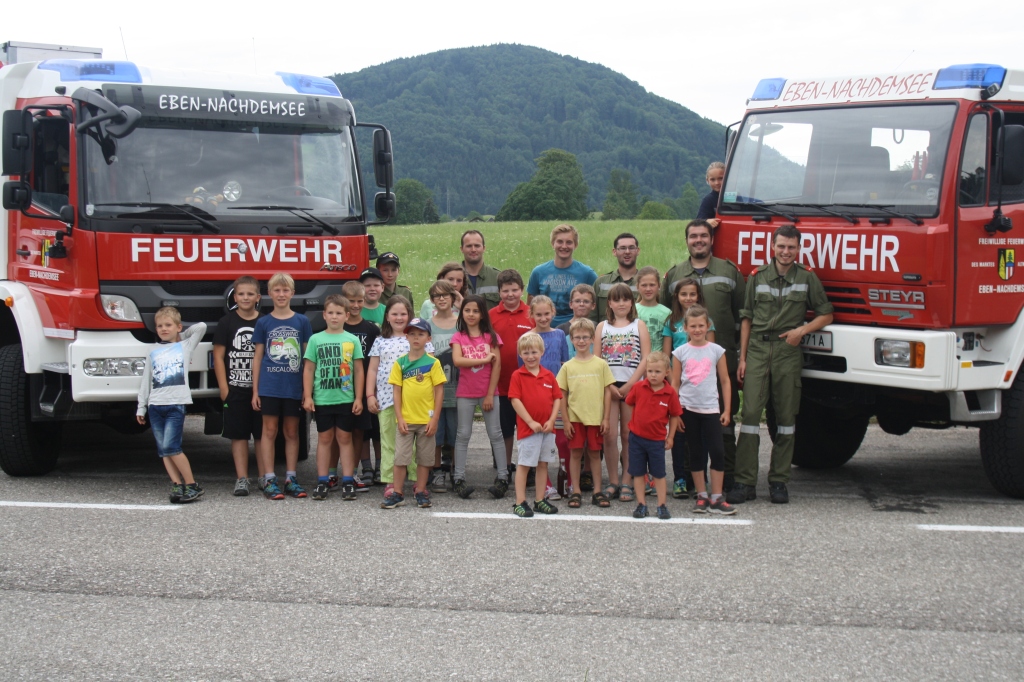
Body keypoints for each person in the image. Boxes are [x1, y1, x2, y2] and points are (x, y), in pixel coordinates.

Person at [729, 224, 834, 505]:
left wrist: (803, 330)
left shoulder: (807, 278)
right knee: (750, 416)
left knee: (786, 419)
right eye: (781, 246)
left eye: (791, 247)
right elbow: (747, 317)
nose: (786, 252)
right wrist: (743, 357)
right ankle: (745, 481)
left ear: (798, 249)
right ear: (772, 247)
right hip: (759, 350)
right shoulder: (757, 277)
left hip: (788, 351)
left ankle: (779, 481)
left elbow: (826, 314)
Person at [661, 219, 744, 489]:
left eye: (703, 235)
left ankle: (728, 476)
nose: (699, 240)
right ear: (687, 240)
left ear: (711, 239)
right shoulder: (674, 274)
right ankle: (687, 478)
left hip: (720, 361)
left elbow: (741, 313)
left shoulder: (729, 271)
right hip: (683, 368)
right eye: (693, 236)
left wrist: (741, 355)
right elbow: (667, 314)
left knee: (723, 424)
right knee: (687, 426)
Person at [251, 272, 313, 500]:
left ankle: (290, 477)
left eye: (285, 290)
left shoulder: (302, 321)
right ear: (269, 294)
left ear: (292, 294)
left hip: (293, 387)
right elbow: (257, 358)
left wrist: (307, 392)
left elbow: (307, 359)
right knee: (269, 431)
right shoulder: (263, 322)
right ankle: (269, 478)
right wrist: (255, 390)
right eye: (277, 290)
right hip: (269, 386)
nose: (281, 294)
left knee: (291, 432)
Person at [367, 296, 435, 500]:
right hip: (387, 400)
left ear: (410, 316)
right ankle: (390, 481)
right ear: (387, 316)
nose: (399, 317)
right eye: (394, 314)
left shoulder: (419, 340)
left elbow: (432, 370)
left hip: (415, 403)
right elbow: (372, 369)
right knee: (389, 441)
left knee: (414, 443)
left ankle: (416, 480)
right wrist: (370, 394)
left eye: (403, 314)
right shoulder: (380, 341)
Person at [136, 307, 207, 503]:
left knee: (172, 446)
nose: (163, 329)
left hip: (176, 403)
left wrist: (179, 334)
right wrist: (141, 407)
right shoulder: (152, 350)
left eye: (168, 325)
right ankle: (177, 485)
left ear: (178, 327)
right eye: (160, 326)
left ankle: (192, 485)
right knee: (163, 450)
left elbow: (201, 327)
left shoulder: (184, 346)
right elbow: (146, 380)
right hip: (155, 405)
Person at [671, 306, 737, 515]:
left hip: (711, 409)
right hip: (688, 409)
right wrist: (676, 413)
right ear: (685, 328)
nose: (697, 329)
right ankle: (702, 495)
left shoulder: (716, 351)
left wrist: (727, 410)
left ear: (708, 326)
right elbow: (675, 385)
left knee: (717, 451)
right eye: (693, 326)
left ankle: (716, 497)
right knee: (696, 453)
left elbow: (725, 381)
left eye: (701, 325)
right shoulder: (680, 352)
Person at [303, 294, 364, 501]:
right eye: (331, 313)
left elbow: (358, 370)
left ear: (347, 316)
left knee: (345, 439)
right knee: (325, 438)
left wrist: (358, 398)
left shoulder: (352, 340)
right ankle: (323, 480)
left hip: (345, 398)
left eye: (339, 313)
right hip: (323, 399)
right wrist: (308, 396)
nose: (334, 317)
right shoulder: (316, 339)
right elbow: (309, 369)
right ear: (324, 315)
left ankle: (348, 480)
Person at [383, 318, 446, 509]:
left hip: (426, 421)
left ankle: (420, 491)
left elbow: (439, 390)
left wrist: (435, 418)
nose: (416, 338)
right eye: (412, 334)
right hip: (406, 421)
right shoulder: (400, 363)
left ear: (428, 338)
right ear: (406, 336)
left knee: (425, 459)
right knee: (401, 457)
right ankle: (398, 492)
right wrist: (400, 417)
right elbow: (397, 391)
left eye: (420, 334)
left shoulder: (433, 363)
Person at [596, 282, 650, 503]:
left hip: (632, 385)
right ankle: (614, 481)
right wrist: (609, 385)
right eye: (616, 300)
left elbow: (646, 358)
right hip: (608, 386)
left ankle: (628, 479)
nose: (621, 303)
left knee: (628, 436)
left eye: (625, 299)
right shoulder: (602, 327)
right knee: (609, 435)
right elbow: (598, 360)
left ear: (632, 302)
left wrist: (630, 385)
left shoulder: (639, 325)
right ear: (609, 303)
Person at [662, 277, 715, 498]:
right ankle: (680, 478)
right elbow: (666, 355)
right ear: (677, 297)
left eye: (692, 294)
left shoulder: (707, 322)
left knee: (700, 437)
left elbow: (712, 352)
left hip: (700, 386)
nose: (688, 298)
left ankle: (699, 477)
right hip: (679, 385)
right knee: (679, 433)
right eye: (684, 294)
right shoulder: (671, 322)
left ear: (699, 296)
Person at [452, 294, 506, 499]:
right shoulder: (458, 336)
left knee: (496, 434)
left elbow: (497, 365)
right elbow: (458, 360)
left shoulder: (491, 337)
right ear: (462, 312)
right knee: (463, 434)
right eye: (467, 310)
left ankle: (502, 476)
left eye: (476, 311)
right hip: (465, 393)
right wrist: (483, 358)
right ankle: (459, 478)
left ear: (483, 314)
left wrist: (490, 394)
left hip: (488, 393)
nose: (471, 314)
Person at [212, 276, 263, 497]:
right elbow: (218, 356)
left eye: (250, 294)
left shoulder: (264, 322)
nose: (245, 298)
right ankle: (242, 478)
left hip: (260, 391)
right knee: (239, 436)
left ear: (258, 297)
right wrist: (224, 388)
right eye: (241, 294)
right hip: (235, 388)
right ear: (234, 296)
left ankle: (264, 476)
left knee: (262, 436)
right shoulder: (227, 322)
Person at [557, 318, 615, 509]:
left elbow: (607, 391)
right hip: (575, 419)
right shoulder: (567, 366)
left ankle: (598, 491)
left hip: (595, 418)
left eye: (585, 337)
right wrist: (565, 421)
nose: (581, 341)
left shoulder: (601, 364)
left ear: (592, 339)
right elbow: (562, 395)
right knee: (575, 454)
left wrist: (606, 417)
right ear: (571, 339)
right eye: (577, 337)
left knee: (594, 454)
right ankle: (575, 491)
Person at [508, 332, 562, 517]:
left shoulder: (548, 375)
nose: (530, 356)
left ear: (542, 352)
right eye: (526, 353)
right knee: (524, 464)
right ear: (520, 355)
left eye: (534, 352)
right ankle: (520, 501)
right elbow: (515, 400)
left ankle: (540, 500)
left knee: (542, 464)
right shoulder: (518, 375)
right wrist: (530, 421)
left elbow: (557, 399)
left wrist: (552, 420)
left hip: (548, 429)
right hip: (528, 431)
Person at [625, 351, 681, 519]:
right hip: (637, 439)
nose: (653, 375)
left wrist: (670, 437)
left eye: (657, 371)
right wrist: (638, 421)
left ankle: (662, 505)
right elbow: (630, 404)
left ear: (666, 372)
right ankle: (641, 504)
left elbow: (675, 415)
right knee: (638, 472)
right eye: (650, 371)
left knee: (659, 474)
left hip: (657, 441)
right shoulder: (638, 387)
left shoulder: (670, 393)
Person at [489, 269, 534, 474]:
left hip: (528, 384)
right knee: (505, 429)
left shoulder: (531, 313)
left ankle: (530, 466)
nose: (510, 294)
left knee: (528, 428)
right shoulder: (491, 316)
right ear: (499, 292)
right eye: (506, 290)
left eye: (515, 290)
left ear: (522, 291)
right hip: (501, 383)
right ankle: (504, 466)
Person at [555, 282, 598, 493]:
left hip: (591, 384)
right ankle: (570, 472)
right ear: (571, 304)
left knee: (591, 429)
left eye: (586, 301)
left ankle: (588, 472)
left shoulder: (597, 328)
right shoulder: (561, 329)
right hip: (570, 384)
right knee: (571, 431)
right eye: (578, 301)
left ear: (592, 305)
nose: (581, 304)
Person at [340, 281, 380, 487]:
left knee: (363, 430)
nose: (355, 305)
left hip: (364, 388)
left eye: (359, 301)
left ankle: (364, 469)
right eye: (351, 301)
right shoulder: (339, 326)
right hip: (341, 388)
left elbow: (376, 361)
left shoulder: (371, 329)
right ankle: (350, 470)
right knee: (344, 430)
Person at [527, 224, 597, 326]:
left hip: (576, 332)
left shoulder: (587, 273)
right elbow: (530, 306)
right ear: (552, 244)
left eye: (569, 242)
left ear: (575, 245)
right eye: (559, 242)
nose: (564, 246)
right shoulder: (538, 272)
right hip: (545, 328)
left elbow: (595, 306)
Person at [427, 280, 460, 492]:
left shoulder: (461, 323)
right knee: (436, 433)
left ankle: (457, 472)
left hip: (458, 386)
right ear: (431, 300)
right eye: (437, 296)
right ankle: (437, 471)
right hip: (434, 388)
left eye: (445, 295)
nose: (441, 299)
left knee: (457, 432)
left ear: (453, 298)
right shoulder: (427, 324)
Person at [593, 233, 640, 321]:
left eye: (631, 248)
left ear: (638, 251)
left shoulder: (646, 284)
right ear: (614, 252)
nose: (627, 252)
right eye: (622, 248)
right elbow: (592, 318)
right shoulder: (601, 283)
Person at [460, 229, 502, 310]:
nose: (473, 250)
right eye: (469, 246)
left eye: (477, 246)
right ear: (462, 249)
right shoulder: (451, 278)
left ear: (484, 248)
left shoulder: (498, 277)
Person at [635, 266, 671, 343]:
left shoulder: (667, 312)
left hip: (659, 354)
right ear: (637, 286)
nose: (648, 289)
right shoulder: (632, 310)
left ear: (659, 286)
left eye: (652, 285)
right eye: (644, 285)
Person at [695, 161, 725, 228]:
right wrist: (706, 221)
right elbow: (698, 221)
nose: (717, 183)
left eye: (720, 178)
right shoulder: (708, 200)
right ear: (707, 180)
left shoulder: (736, 198)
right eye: (712, 180)